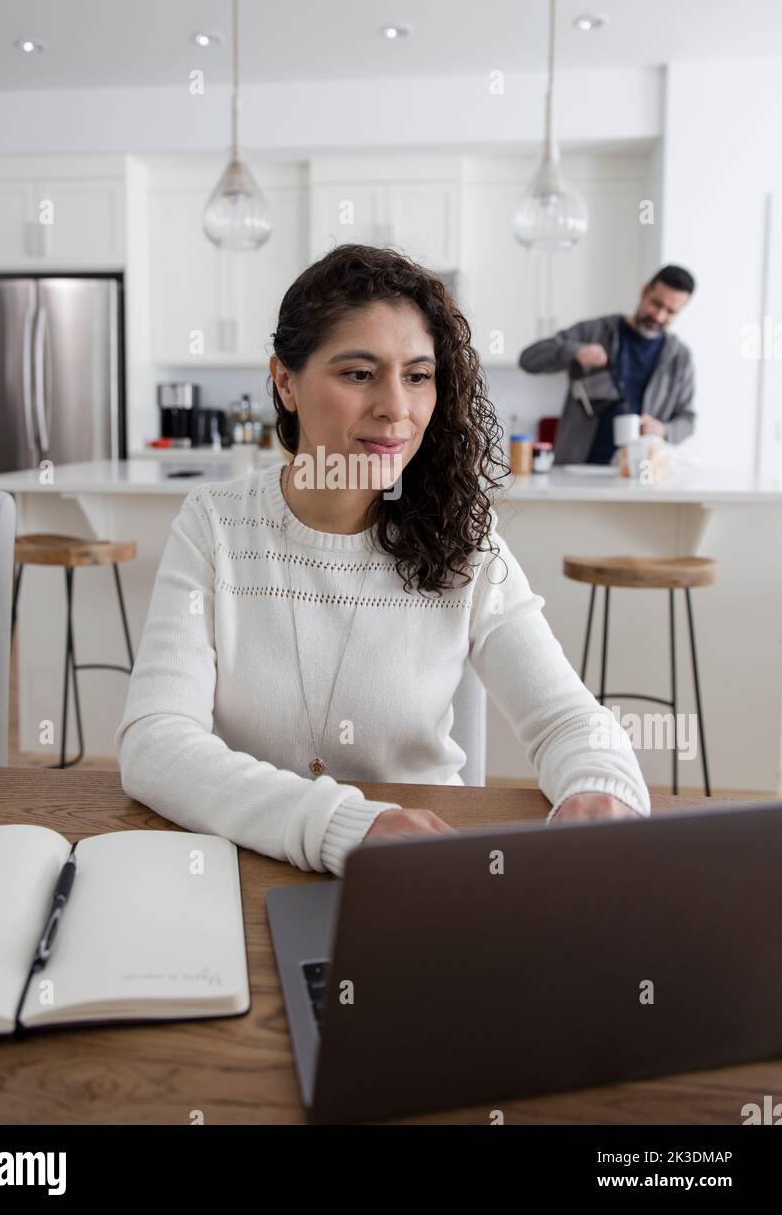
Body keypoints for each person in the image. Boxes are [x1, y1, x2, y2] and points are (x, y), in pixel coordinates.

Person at [115, 244, 650, 878]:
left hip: (422, 878)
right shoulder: (215, 525)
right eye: (359, 373)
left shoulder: (465, 541)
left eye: (418, 376)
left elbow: (568, 719)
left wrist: (602, 789)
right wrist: (344, 825)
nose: (396, 408)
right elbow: (155, 744)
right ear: (285, 381)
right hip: (239, 869)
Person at [518, 266, 696, 465]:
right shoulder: (594, 331)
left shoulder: (679, 357)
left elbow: (687, 419)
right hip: (577, 467)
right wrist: (575, 351)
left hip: (641, 472)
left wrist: (664, 430)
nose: (660, 316)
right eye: (656, 304)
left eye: (671, 312)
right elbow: (528, 359)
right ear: (645, 290)